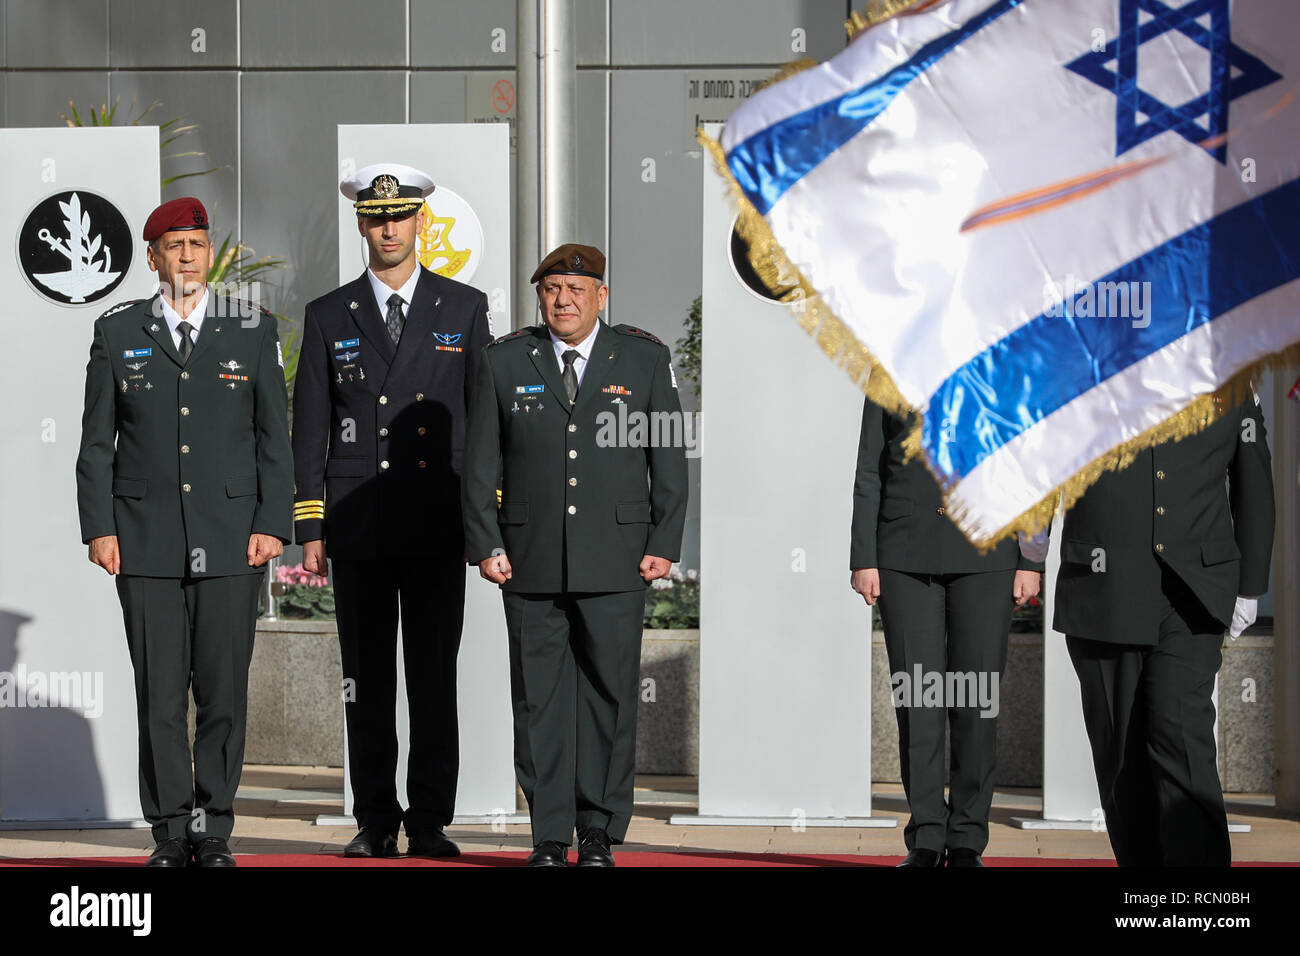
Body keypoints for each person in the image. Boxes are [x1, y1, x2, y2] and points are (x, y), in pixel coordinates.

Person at [76, 197, 292, 867]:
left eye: (198, 243)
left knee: (223, 690)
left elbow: (271, 439)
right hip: (143, 540)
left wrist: (272, 524)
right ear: (153, 258)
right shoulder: (118, 333)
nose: (188, 256)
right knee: (160, 691)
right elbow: (96, 444)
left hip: (232, 536)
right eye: (175, 246)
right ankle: (170, 830)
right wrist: (99, 527)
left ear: (211, 255)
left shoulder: (250, 330)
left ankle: (213, 828)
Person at [462, 243, 688, 867]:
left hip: (618, 557)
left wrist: (664, 543)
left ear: (601, 296)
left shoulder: (642, 358)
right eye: (552, 289)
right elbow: (480, 462)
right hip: (529, 559)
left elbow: (666, 461)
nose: (562, 300)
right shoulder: (505, 360)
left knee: (609, 696)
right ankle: (549, 832)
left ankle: (597, 831)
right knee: (538, 699)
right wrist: (484, 541)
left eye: (576, 290)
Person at [292, 163, 492, 859]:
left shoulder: (463, 309)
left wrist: (482, 520)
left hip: (436, 523)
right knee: (366, 680)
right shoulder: (327, 314)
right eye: (377, 218)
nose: (388, 228)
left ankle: (431, 818)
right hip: (359, 525)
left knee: (433, 676)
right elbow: (309, 425)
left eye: (400, 217)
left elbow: (482, 423)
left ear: (420, 224)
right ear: (360, 225)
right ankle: (375, 817)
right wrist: (310, 526)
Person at [1056, 393, 1274, 866]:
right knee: (1120, 755)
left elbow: (1252, 474)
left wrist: (1250, 584)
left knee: (1181, 735)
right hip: (1102, 587)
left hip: (1193, 593)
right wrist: (1026, 558)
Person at [850, 396, 1042, 867]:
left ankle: (967, 840)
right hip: (904, 554)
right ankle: (926, 838)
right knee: (918, 701)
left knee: (976, 702)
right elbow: (870, 468)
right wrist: (863, 555)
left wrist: (1029, 560)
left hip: (988, 554)